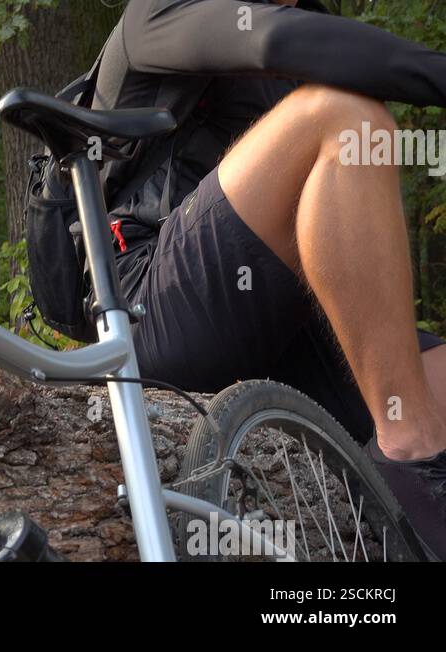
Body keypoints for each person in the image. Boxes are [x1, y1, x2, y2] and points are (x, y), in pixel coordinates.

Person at [91, 0, 446, 558]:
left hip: (284, 324)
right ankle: (410, 454)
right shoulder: (159, 13)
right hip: (151, 306)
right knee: (350, 118)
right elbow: (276, 40)